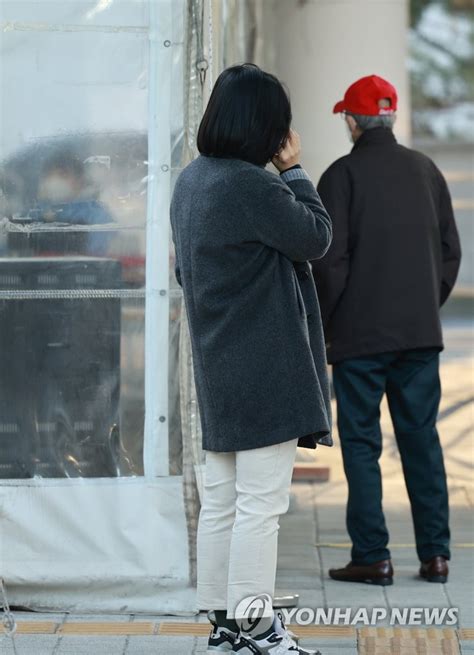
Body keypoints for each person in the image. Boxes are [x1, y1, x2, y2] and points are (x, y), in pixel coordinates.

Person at [170, 63, 332, 655]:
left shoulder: (192, 181)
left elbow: (186, 272)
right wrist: (294, 171)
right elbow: (315, 237)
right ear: (265, 125)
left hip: (218, 365)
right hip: (267, 367)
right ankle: (258, 629)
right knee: (261, 507)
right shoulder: (252, 186)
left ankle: (224, 625)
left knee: (222, 503)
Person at [312, 75, 461, 587]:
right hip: (419, 336)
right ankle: (436, 556)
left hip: (359, 339)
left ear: (352, 122)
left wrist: (326, 323)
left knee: (361, 444)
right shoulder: (426, 171)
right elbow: (450, 252)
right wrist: (424, 306)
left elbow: (328, 263)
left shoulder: (340, 177)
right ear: (390, 117)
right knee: (422, 441)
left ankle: (373, 557)